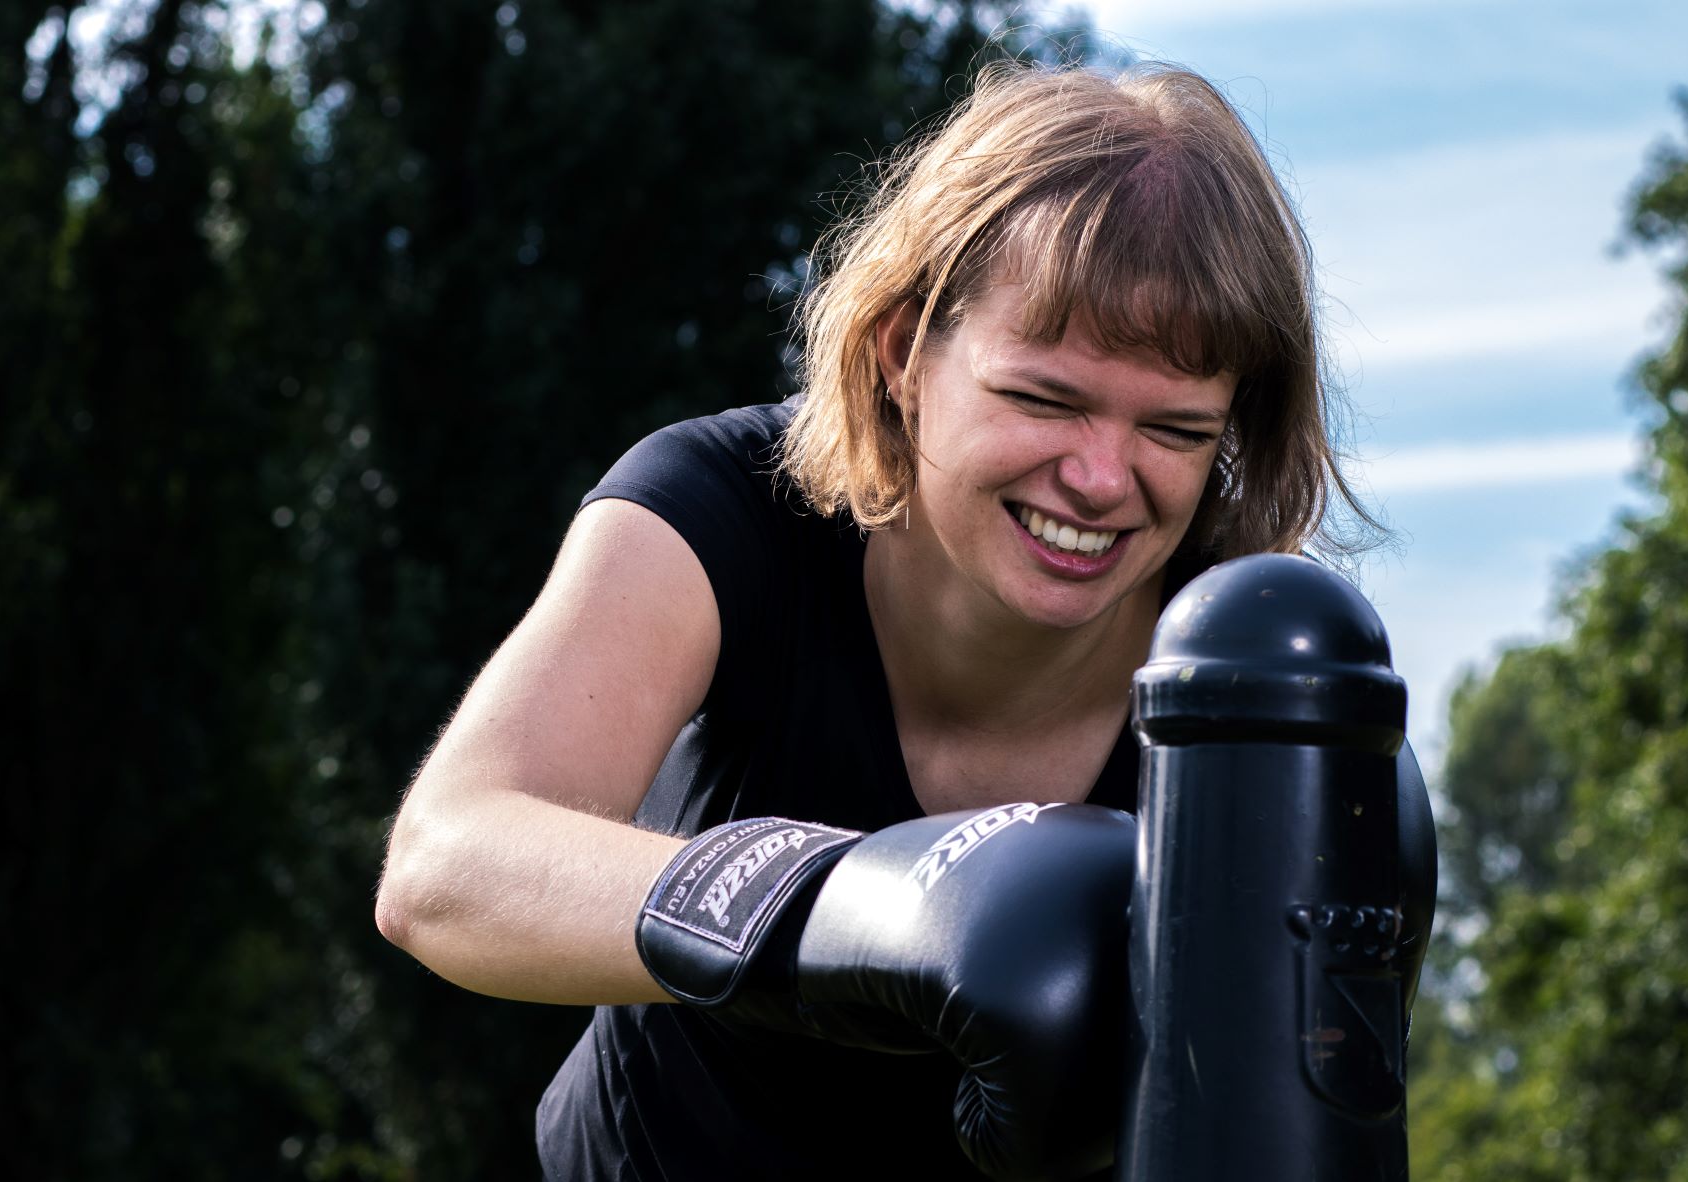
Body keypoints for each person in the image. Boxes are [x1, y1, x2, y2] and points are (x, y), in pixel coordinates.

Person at [375, 60, 1427, 1182]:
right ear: (904, 352)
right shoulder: (726, 505)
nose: (1101, 477)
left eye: (1174, 429)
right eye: (1044, 398)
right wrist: (847, 912)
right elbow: (445, 866)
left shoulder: (1250, 694)